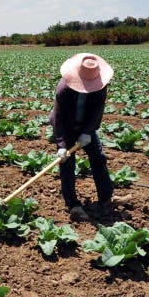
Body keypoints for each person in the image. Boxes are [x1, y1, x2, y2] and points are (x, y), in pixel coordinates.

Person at [49, 53, 127, 221]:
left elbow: (97, 112)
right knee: (67, 164)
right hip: (67, 127)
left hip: (85, 127)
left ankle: (106, 199)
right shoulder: (64, 89)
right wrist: (62, 145)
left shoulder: (100, 87)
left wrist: (88, 132)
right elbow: (57, 118)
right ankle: (73, 205)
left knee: (98, 158)